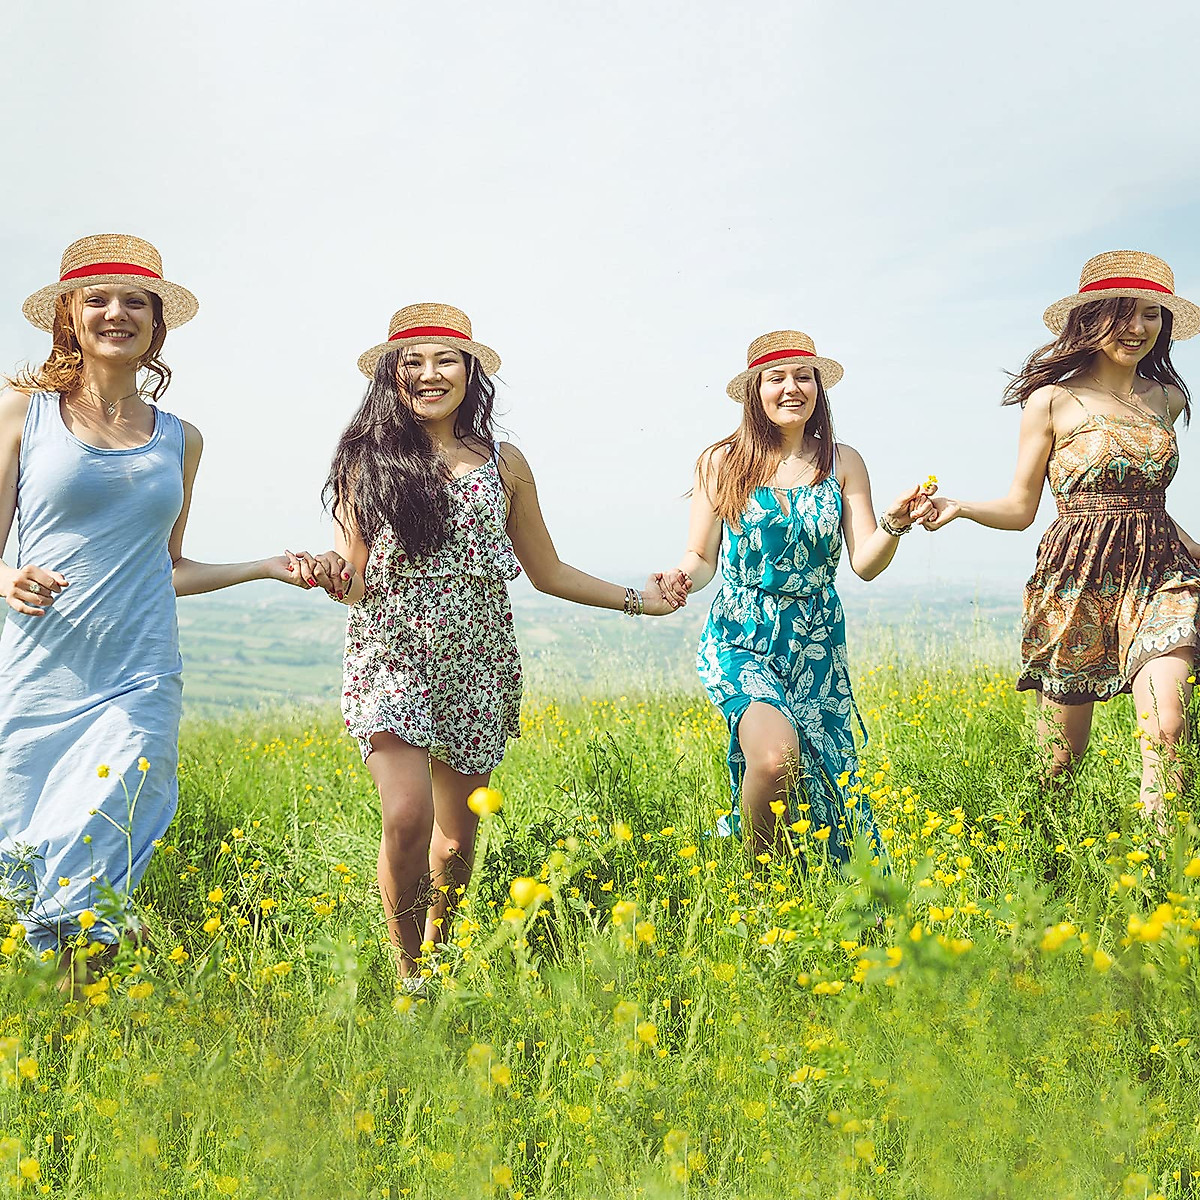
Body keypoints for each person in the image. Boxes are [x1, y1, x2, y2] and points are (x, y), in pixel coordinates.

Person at [0, 233, 336, 973]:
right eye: (98, 300)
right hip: (41, 674)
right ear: (70, 316)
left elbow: (168, 568)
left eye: (134, 302)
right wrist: (7, 577)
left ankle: (76, 1001)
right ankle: (51, 1017)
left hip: (139, 674)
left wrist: (265, 566)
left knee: (110, 829)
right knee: (34, 851)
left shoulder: (180, 439)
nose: (116, 313)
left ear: (157, 323)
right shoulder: (23, 413)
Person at [321, 302, 678, 983]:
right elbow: (355, 574)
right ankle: (410, 976)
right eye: (413, 362)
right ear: (390, 376)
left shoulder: (505, 462)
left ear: (470, 372)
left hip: (477, 662)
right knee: (406, 816)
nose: (429, 374)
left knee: (455, 841)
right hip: (390, 655)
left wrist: (641, 601)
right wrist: (334, 574)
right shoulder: (364, 461)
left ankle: (439, 942)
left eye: (444, 360)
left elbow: (547, 570)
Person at [925, 251, 1199, 820]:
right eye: (1122, 313)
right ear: (1090, 320)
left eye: (1151, 314)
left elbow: (1147, 503)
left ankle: (1159, 872)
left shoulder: (1168, 399)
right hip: (1077, 578)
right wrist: (960, 506)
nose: (1137, 327)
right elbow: (1022, 507)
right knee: (1060, 761)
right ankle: (1048, 856)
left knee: (1167, 726)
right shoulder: (1051, 399)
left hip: (1163, 573)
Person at [657, 330, 935, 860]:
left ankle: (801, 882)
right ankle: (764, 883)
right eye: (776, 378)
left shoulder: (843, 461)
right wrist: (678, 578)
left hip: (816, 639)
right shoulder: (721, 461)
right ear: (754, 392)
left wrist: (897, 524)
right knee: (774, 759)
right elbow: (701, 557)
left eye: (803, 376)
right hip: (740, 633)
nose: (792, 388)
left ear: (818, 388)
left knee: (826, 777)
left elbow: (866, 563)